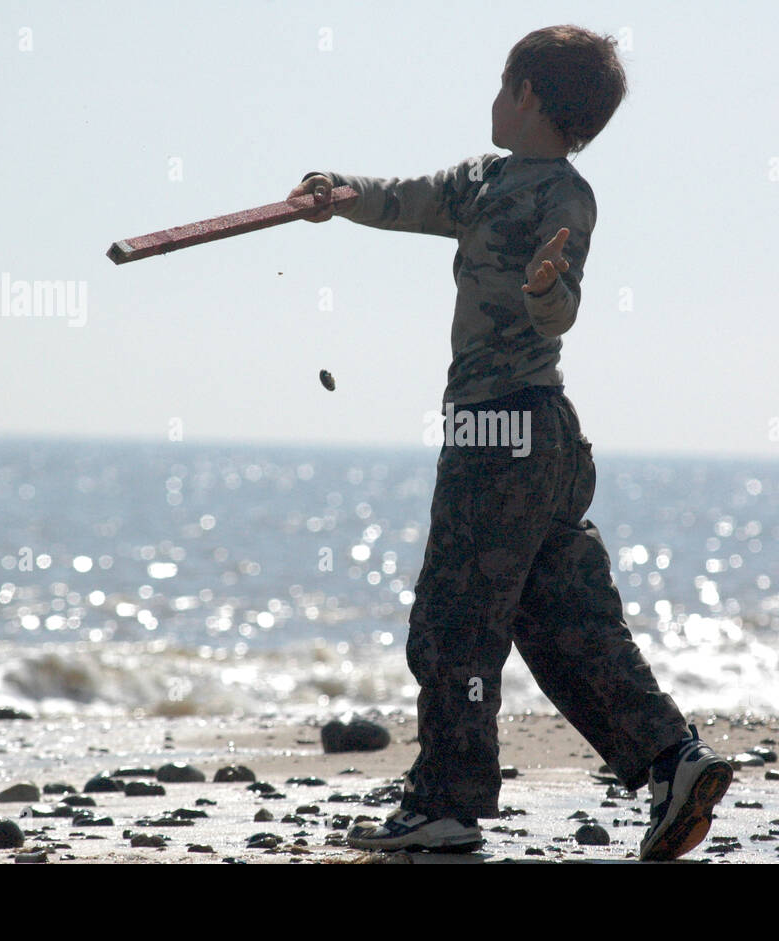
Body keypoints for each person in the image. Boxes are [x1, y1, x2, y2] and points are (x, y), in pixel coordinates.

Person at [289, 24, 732, 862]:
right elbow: (404, 197)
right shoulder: (479, 181)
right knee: (566, 618)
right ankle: (675, 761)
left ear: (529, 94)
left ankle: (446, 804)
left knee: (454, 621)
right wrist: (336, 192)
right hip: (536, 441)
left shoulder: (563, 198)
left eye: (503, 85)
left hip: (506, 429)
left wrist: (546, 289)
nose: (493, 99)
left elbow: (561, 305)